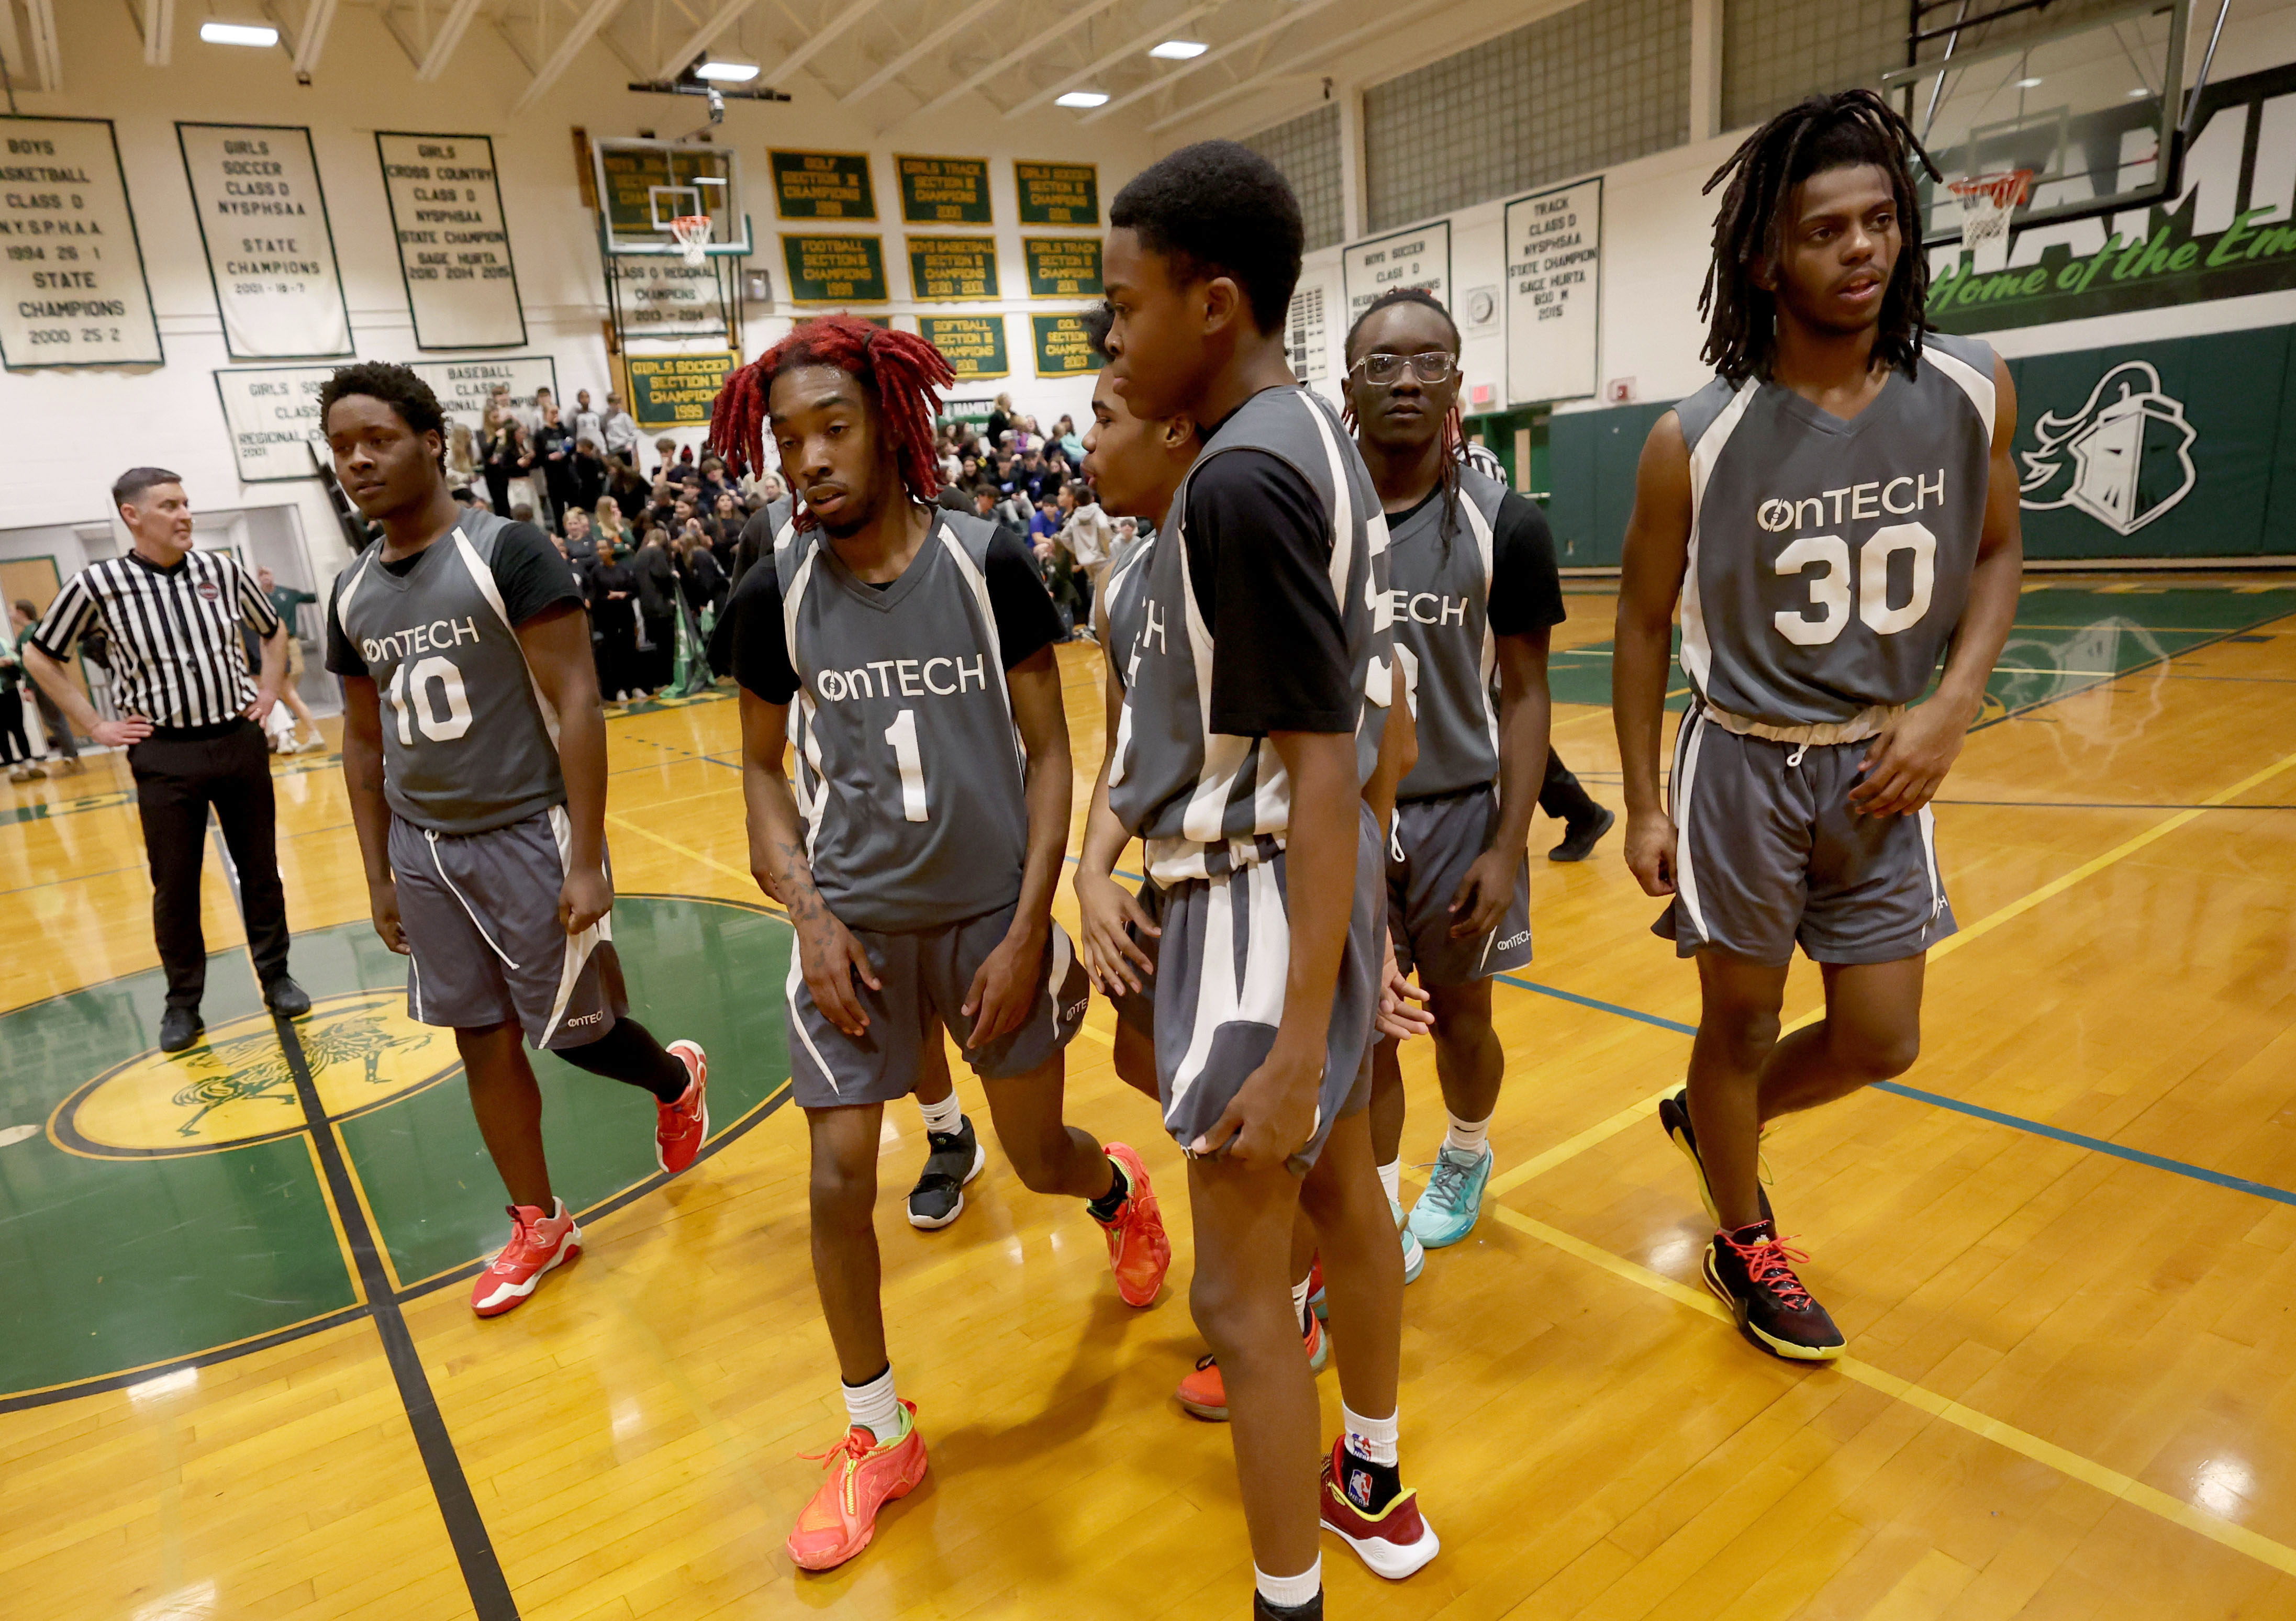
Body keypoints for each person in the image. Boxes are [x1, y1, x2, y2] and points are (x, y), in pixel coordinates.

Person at [710, 315, 1170, 1572]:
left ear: (891, 426)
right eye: (786, 438)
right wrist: (804, 913)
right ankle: (876, 1430)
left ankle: (1117, 1190)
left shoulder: (984, 563)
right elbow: (757, 771)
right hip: (854, 935)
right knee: (833, 1179)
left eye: (833, 429)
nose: (807, 458)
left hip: (989, 923)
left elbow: (1054, 749)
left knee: (1037, 1156)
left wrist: (1030, 925)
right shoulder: (772, 592)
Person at [1613, 90, 2022, 1362]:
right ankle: (1743, 1238)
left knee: (1879, 1037)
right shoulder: (1697, 436)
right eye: (1825, 229)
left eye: (1881, 221)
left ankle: (1711, 1118)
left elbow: (2002, 552)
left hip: (1881, 761)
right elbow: (1634, 628)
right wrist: (1640, 801)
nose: (1861, 248)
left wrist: (1950, 706)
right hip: (1740, 759)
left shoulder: (1968, 388)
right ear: (1763, 257)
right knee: (1737, 1021)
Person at [1101, 142, 1436, 1619]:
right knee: (1351, 1195)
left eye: (1121, 309)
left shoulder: (1238, 481)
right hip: (1318, 882)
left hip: (1256, 900)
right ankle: (1370, 1479)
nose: (1110, 341)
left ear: (1212, 303)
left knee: (1238, 1300)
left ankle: (1288, 1600)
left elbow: (1311, 765)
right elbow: (1360, 738)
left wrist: (1301, 1036)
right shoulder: (1312, 441)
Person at [320, 362, 710, 1318]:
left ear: (431, 442)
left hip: (528, 832)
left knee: (575, 1037)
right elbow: (363, 741)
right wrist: (377, 872)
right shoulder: (350, 590)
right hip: (424, 848)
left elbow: (578, 700)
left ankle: (673, 1076)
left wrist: (585, 854)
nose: (358, 460)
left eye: (377, 438)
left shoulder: (509, 552)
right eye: (340, 447)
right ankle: (538, 1221)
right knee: (479, 1039)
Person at [1340, 287, 1564, 1267]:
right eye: (1381, 363)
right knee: (1368, 1033)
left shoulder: (1503, 521)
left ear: (1456, 379)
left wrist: (1509, 844)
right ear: (1346, 382)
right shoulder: (1313, 509)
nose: (1404, 381)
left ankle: (1467, 1149)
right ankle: (1377, 1214)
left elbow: (1525, 694)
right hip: (1342, 814)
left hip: (1457, 815)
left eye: (1427, 361)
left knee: (1458, 1018)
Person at [21, 469, 308, 1051]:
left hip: (237, 737)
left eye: (186, 503)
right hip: (163, 753)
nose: (185, 515)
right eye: (169, 505)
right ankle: (183, 1004)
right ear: (133, 516)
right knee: (174, 884)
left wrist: (271, 690)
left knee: (260, 868)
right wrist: (95, 723)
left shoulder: (221, 571)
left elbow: (273, 631)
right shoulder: (98, 584)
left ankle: (276, 977)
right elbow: (40, 654)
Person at [254, 567, 327, 754]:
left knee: (288, 690)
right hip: (271, 648)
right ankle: (286, 734)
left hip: (288, 643)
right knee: (284, 695)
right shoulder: (258, 600)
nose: (266, 578)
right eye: (262, 575)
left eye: (268, 574)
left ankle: (292, 734)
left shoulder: (287, 593)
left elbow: (313, 597)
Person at [10, 599, 82, 775]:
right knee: (55, 720)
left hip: (43, 682)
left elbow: (31, 664)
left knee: (55, 721)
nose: (10, 614)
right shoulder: (36, 630)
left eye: (12, 611)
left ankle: (72, 761)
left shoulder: (29, 633)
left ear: (21, 612)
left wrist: (28, 687)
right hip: (47, 680)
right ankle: (70, 759)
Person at [587, 534, 640, 702]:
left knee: (631, 650)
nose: (601, 552)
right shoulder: (596, 572)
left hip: (625, 614)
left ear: (611, 550)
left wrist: (623, 594)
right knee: (613, 654)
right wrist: (608, 598)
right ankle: (619, 690)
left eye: (604, 548)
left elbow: (635, 590)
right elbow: (595, 597)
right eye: (598, 549)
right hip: (608, 618)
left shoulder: (624, 569)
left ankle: (636, 686)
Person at [630, 527, 679, 693]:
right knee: (667, 646)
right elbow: (662, 574)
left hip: (647, 605)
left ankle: (656, 682)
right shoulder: (657, 552)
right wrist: (673, 576)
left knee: (656, 645)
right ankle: (667, 680)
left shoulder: (639, 555)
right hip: (661, 604)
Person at [600, 392, 639, 465]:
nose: (617, 406)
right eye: (615, 404)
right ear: (610, 404)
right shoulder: (606, 417)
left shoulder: (624, 416)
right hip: (613, 450)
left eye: (619, 403)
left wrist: (630, 444)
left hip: (624, 449)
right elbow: (603, 431)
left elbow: (634, 432)